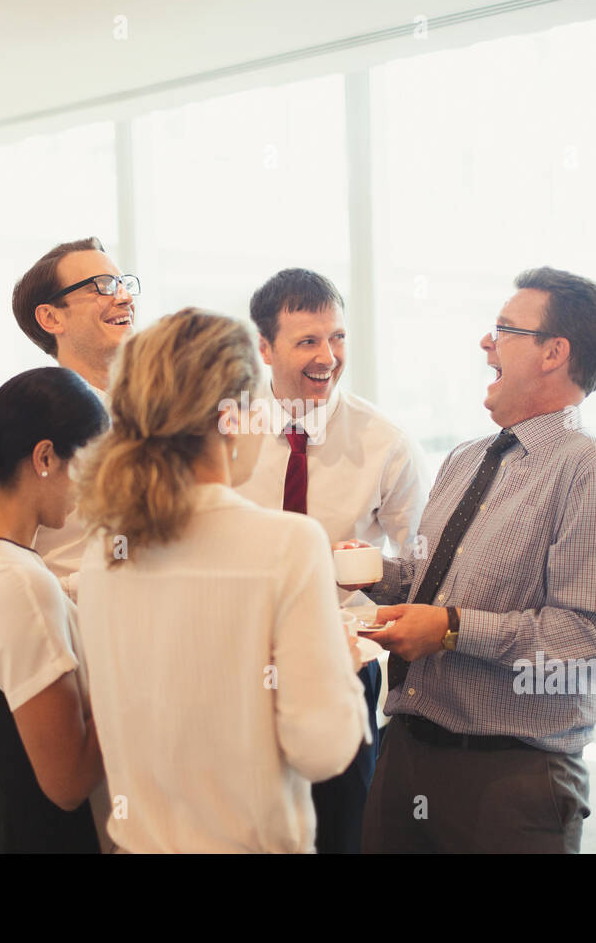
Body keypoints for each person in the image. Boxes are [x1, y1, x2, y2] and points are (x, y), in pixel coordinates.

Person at [353, 267, 596, 853]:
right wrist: (373, 573)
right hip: (405, 750)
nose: (485, 342)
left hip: (510, 781)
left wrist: (454, 631)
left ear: (553, 353)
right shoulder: (466, 458)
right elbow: (424, 584)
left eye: (503, 330)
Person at [76, 308, 371, 853]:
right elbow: (323, 749)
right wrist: (343, 666)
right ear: (234, 416)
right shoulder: (288, 545)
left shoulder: (103, 553)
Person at [235, 267, 429, 854]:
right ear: (265, 348)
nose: (328, 356)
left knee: (342, 826)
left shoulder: (385, 441)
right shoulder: (222, 429)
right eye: (308, 341)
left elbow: (422, 559)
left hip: (341, 662)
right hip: (237, 656)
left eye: (337, 337)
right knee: (249, 820)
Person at [0, 366, 110, 853]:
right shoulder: (17, 580)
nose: (89, 493)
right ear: (46, 457)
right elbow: (68, 781)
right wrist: (137, 678)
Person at [0, 236, 138, 588]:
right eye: (102, 286)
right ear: (51, 317)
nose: (124, 297)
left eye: (122, 284)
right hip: (72, 630)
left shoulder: (154, 412)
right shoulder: (21, 422)